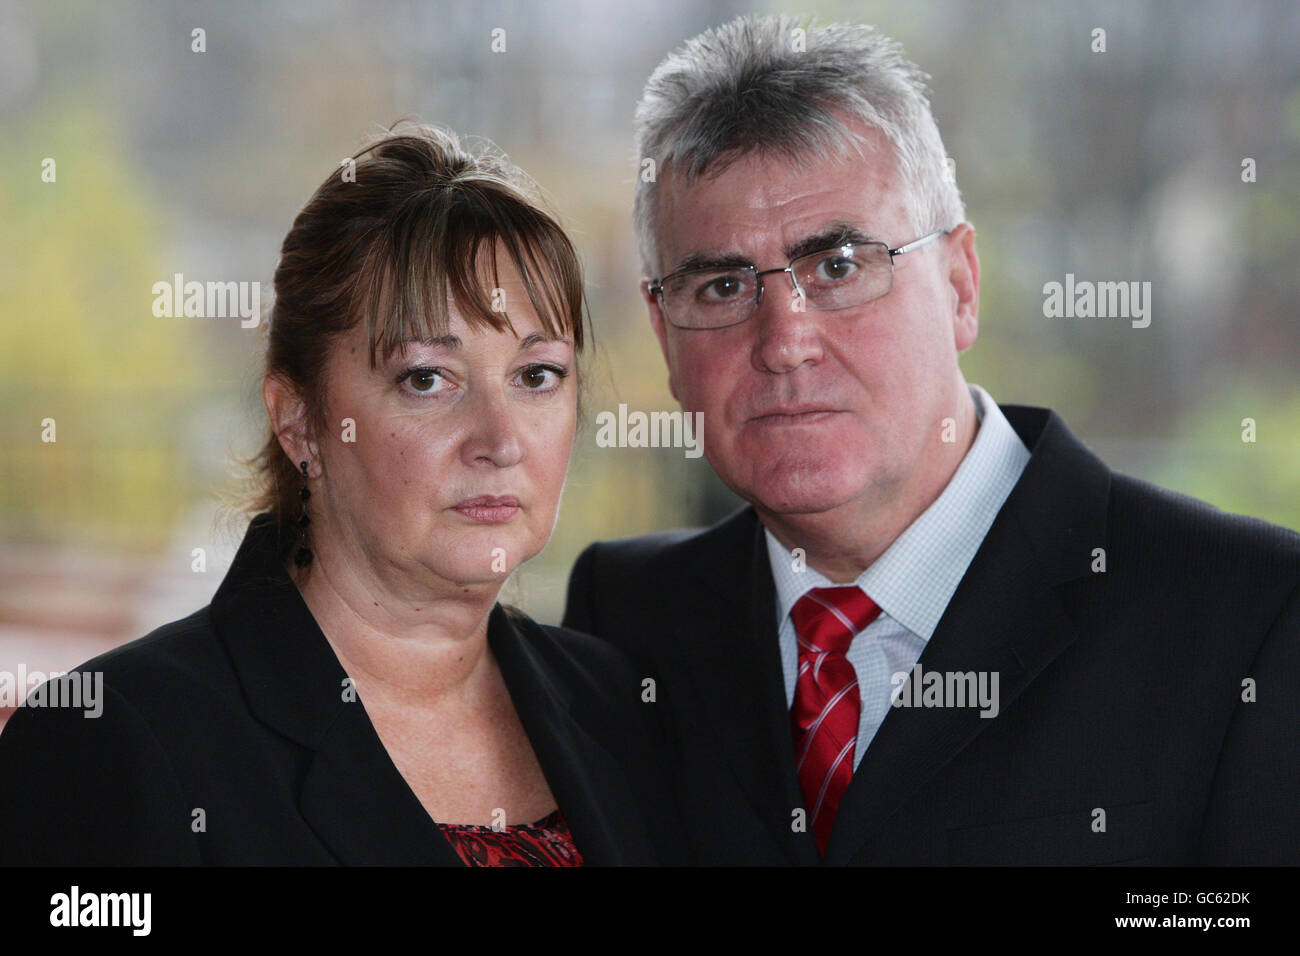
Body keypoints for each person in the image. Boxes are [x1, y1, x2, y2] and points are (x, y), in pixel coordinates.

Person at [562, 16, 1300, 865]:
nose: (783, 340)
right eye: (722, 285)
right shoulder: (626, 624)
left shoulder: (1248, 616)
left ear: (959, 285)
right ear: (664, 337)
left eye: (838, 266)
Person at [0, 123, 679, 866]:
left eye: (536, 375)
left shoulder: (627, 709)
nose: (501, 439)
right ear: (300, 421)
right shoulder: (117, 742)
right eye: (426, 379)